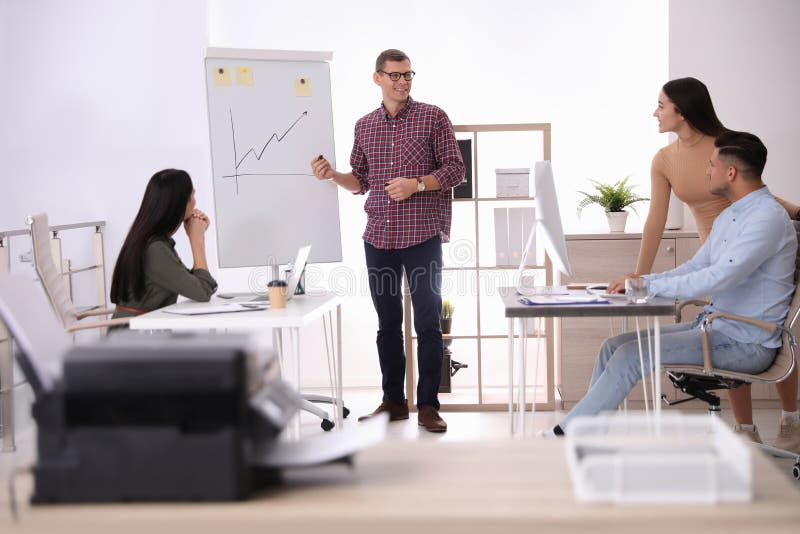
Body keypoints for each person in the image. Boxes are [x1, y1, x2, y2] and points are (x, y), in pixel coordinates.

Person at [551, 131, 797, 442]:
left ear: (730, 172)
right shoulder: (729, 216)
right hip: (715, 327)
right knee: (613, 347)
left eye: (711, 165)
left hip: (746, 343)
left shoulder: (766, 219)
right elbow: (696, 267)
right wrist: (642, 283)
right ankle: (586, 435)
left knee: (631, 355)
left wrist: (645, 288)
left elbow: (719, 277)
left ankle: (564, 435)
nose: (706, 171)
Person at [606, 78, 800, 449]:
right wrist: (640, 276)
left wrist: (796, 213)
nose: (655, 113)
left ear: (683, 109)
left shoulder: (725, 146)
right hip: (712, 247)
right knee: (728, 330)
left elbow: (761, 194)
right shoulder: (664, 160)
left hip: (753, 239)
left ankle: (791, 418)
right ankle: (747, 430)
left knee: (765, 327)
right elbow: (655, 220)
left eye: (661, 105)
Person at [310, 49, 465, 432]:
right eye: (394, 75)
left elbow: (456, 169)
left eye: (407, 75)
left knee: (428, 325)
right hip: (379, 237)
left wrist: (417, 184)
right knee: (387, 324)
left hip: (422, 236)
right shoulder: (365, 126)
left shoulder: (433, 117)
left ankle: (428, 405)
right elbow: (359, 181)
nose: (402, 82)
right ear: (377, 78)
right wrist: (333, 175)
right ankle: (394, 402)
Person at [110, 169, 217, 322]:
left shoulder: (153, 242)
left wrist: (196, 237)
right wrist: (196, 239)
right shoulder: (155, 250)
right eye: (192, 196)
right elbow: (203, 292)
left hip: (143, 332)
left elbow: (198, 285)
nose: (195, 203)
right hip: (134, 337)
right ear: (179, 204)